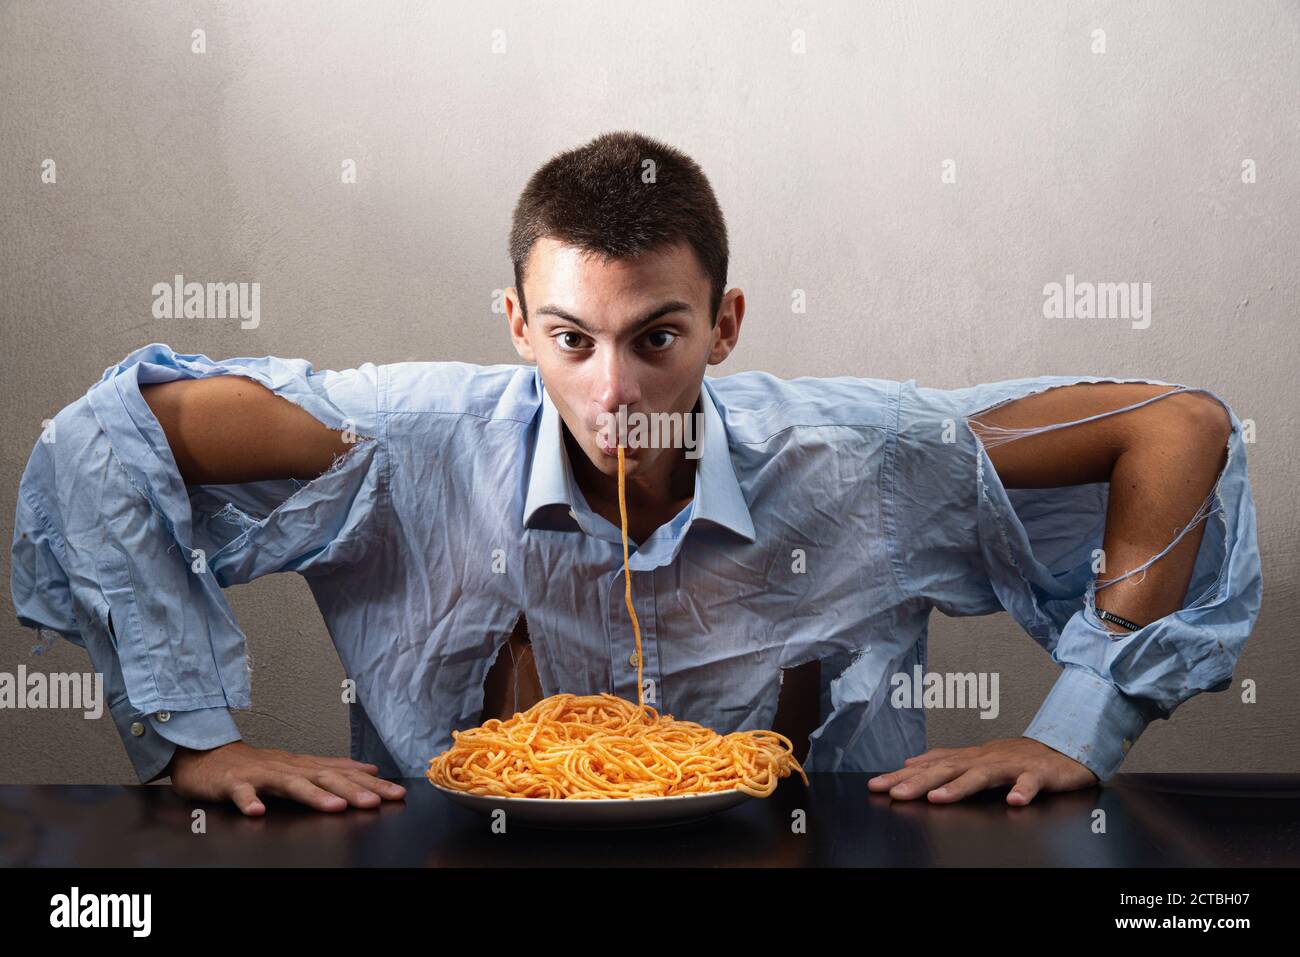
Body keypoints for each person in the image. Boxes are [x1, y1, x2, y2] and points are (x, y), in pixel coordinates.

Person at [11, 131, 1262, 816]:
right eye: (571, 340)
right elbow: (103, 437)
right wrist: (188, 744)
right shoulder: (398, 439)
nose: (615, 390)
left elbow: (1177, 424)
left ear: (723, 326)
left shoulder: (864, 454)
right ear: (516, 327)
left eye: (657, 337)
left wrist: (1079, 731)